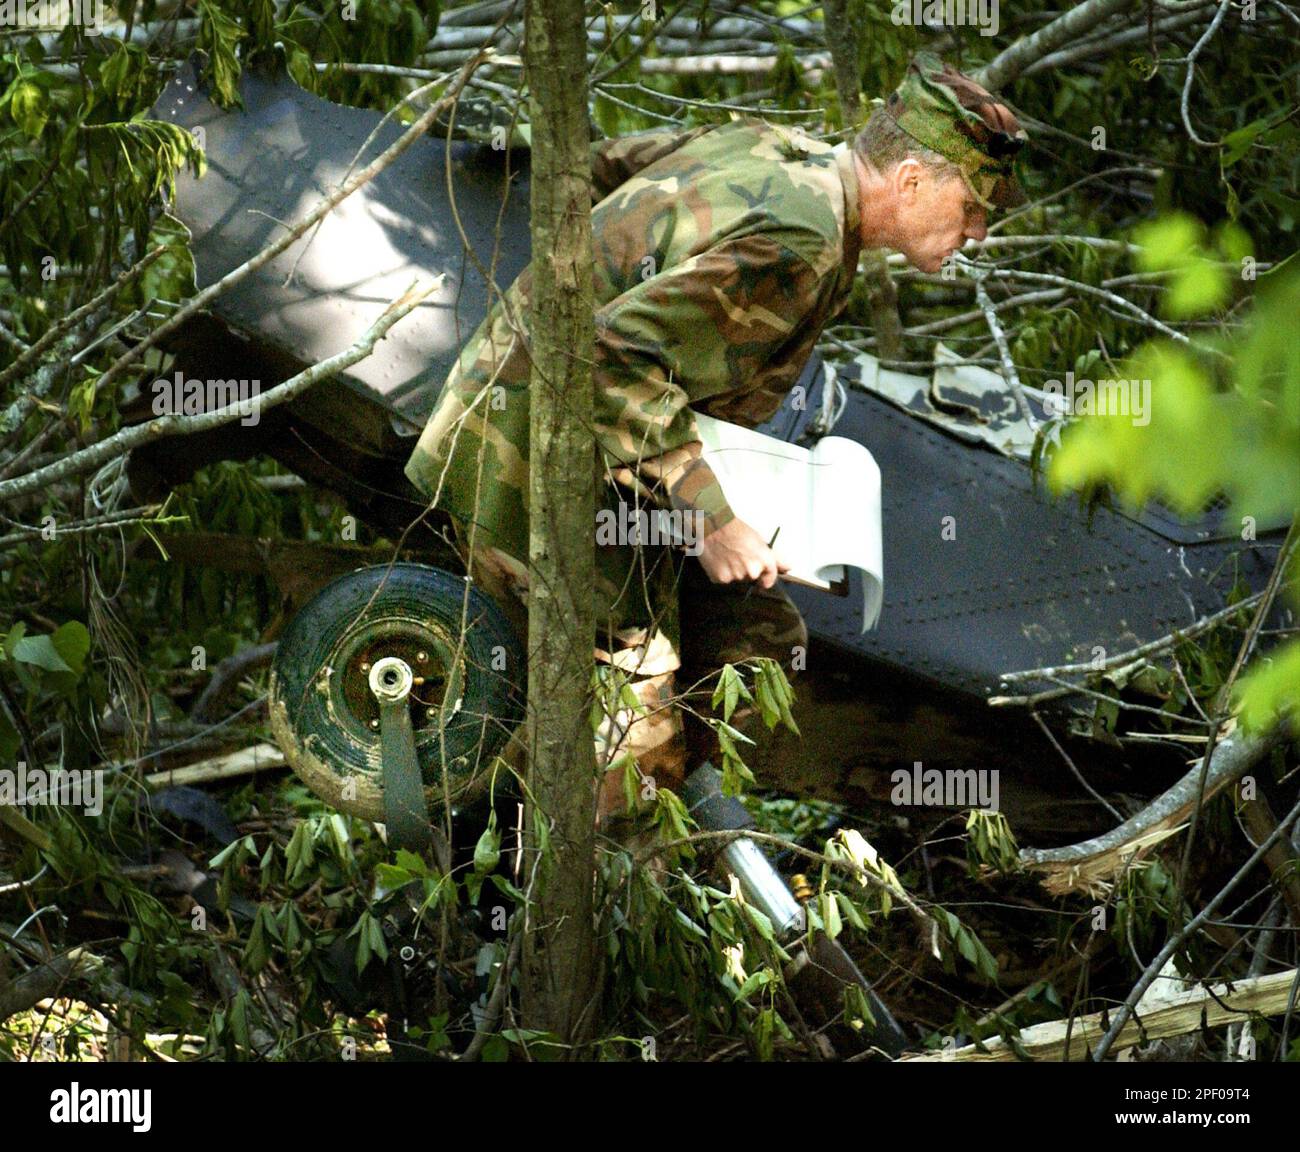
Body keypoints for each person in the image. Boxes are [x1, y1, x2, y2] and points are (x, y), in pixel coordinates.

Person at [404, 51, 1029, 824]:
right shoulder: (804, 240)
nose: (975, 235)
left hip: (603, 455)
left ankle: (582, 829)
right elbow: (610, 352)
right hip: (528, 457)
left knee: (757, 642)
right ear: (909, 181)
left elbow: (612, 165)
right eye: (972, 209)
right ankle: (518, 875)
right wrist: (714, 524)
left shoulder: (780, 151)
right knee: (637, 727)